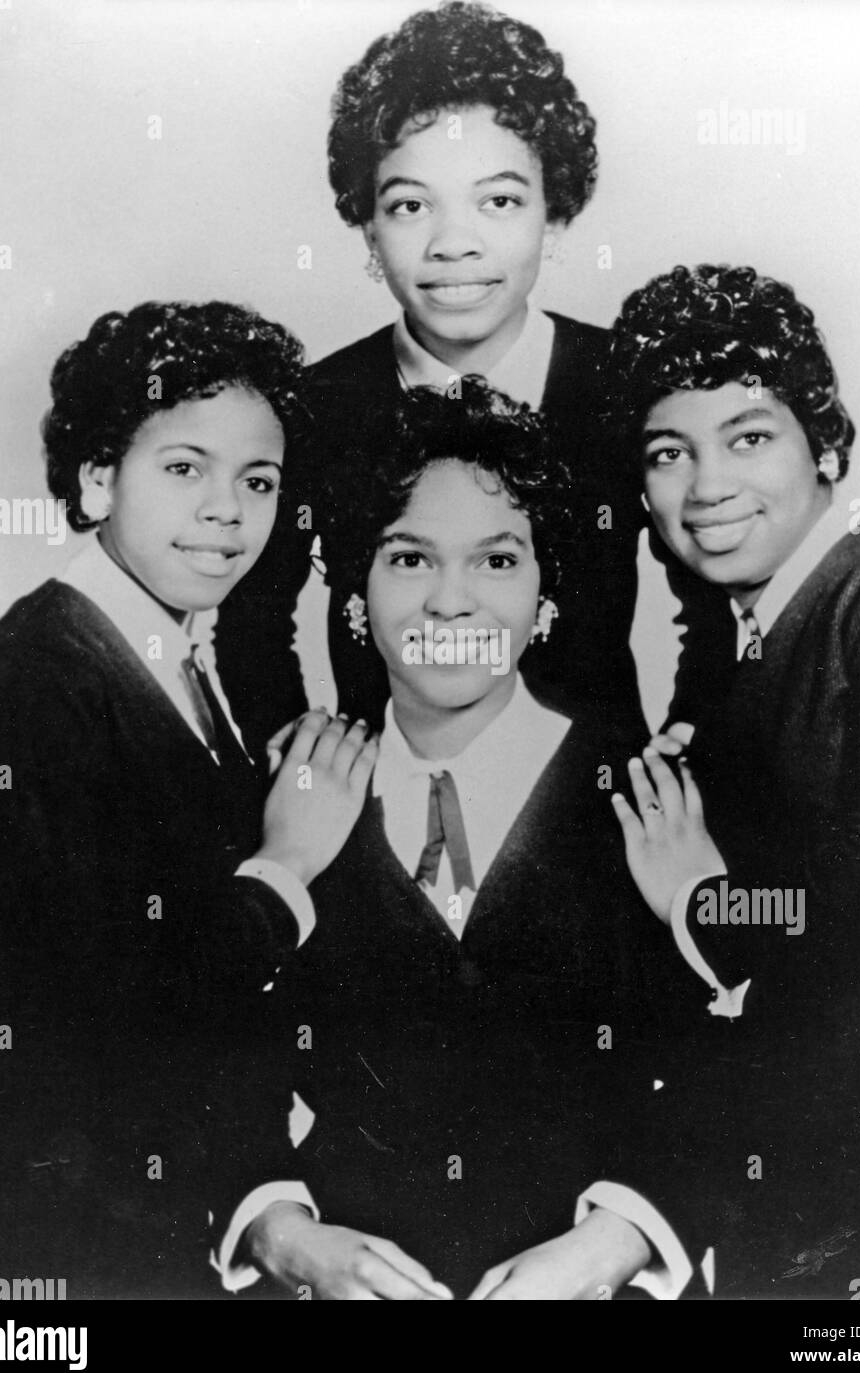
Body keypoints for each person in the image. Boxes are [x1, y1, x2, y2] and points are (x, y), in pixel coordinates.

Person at [211, 379, 717, 1301]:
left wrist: (620, 1242)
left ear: (544, 594)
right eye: (408, 558)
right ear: (356, 597)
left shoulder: (645, 794)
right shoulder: (294, 787)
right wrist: (279, 1232)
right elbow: (207, 1058)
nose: (450, 603)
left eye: (495, 562)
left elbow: (724, 1067)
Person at [0, 301, 379, 1299]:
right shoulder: (32, 675)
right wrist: (287, 864)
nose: (227, 509)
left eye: (256, 480)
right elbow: (93, 1005)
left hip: (142, 1206)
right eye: (183, 467)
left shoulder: (172, 652)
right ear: (97, 479)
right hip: (39, 1229)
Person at [216, 0, 731, 747]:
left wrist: (686, 736)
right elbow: (252, 618)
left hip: (592, 814)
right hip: (380, 814)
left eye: (498, 201)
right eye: (409, 205)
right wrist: (300, 760)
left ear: (553, 217)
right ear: (366, 227)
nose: (454, 242)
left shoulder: (625, 383)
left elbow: (714, 591)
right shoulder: (314, 405)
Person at [609, 264, 860, 1297]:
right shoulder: (738, 651)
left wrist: (700, 902)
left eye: (749, 437)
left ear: (826, 447)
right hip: (798, 1196)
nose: (707, 483)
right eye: (668, 453)